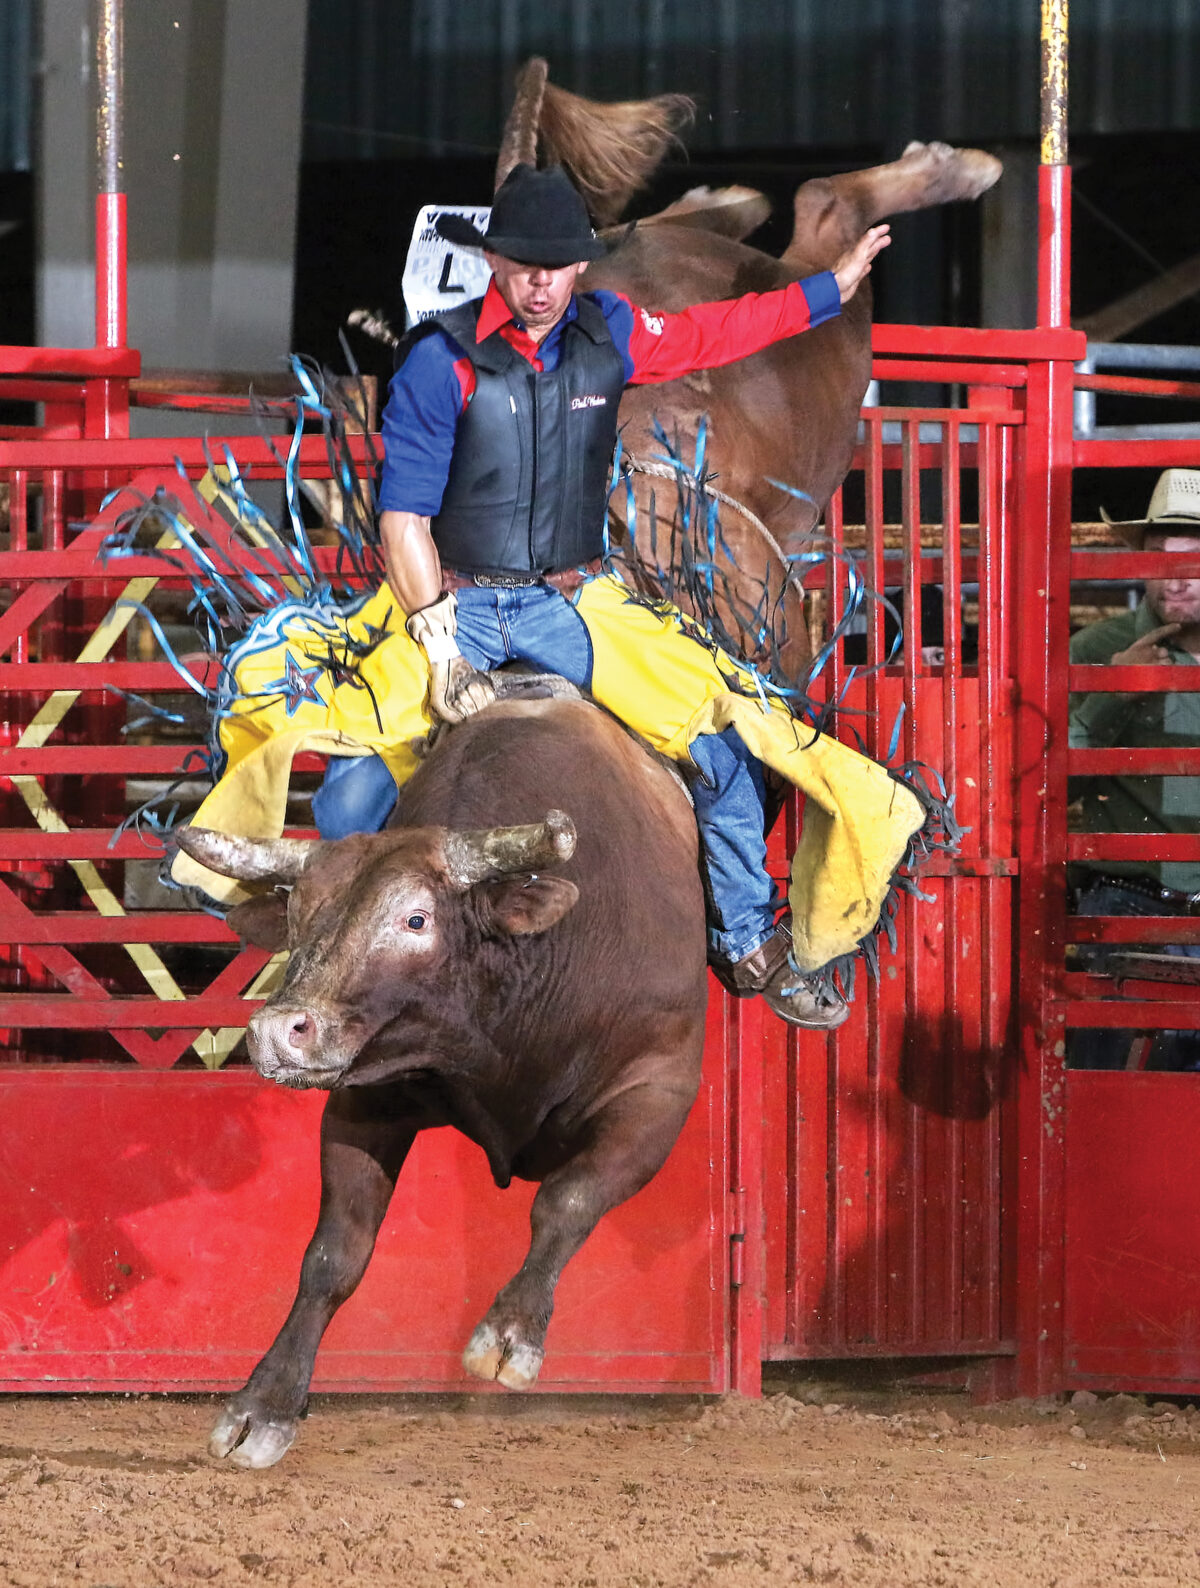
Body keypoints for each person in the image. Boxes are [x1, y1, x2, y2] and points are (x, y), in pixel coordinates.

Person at [173, 164, 928, 1030]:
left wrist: (827, 292)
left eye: (558, 264)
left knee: (722, 746)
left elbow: (717, 333)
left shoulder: (610, 330)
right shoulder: (441, 361)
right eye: (525, 263)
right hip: (446, 600)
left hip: (572, 601)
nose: (540, 282)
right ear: (496, 261)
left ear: (579, 268)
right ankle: (326, 959)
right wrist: (442, 646)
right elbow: (405, 521)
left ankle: (750, 938)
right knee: (350, 794)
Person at [1069, 467, 1200, 1068]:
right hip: (1125, 905)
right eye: (1162, 556)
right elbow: (1052, 783)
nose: (1176, 575)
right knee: (1106, 1107)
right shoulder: (1095, 651)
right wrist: (1116, 688)